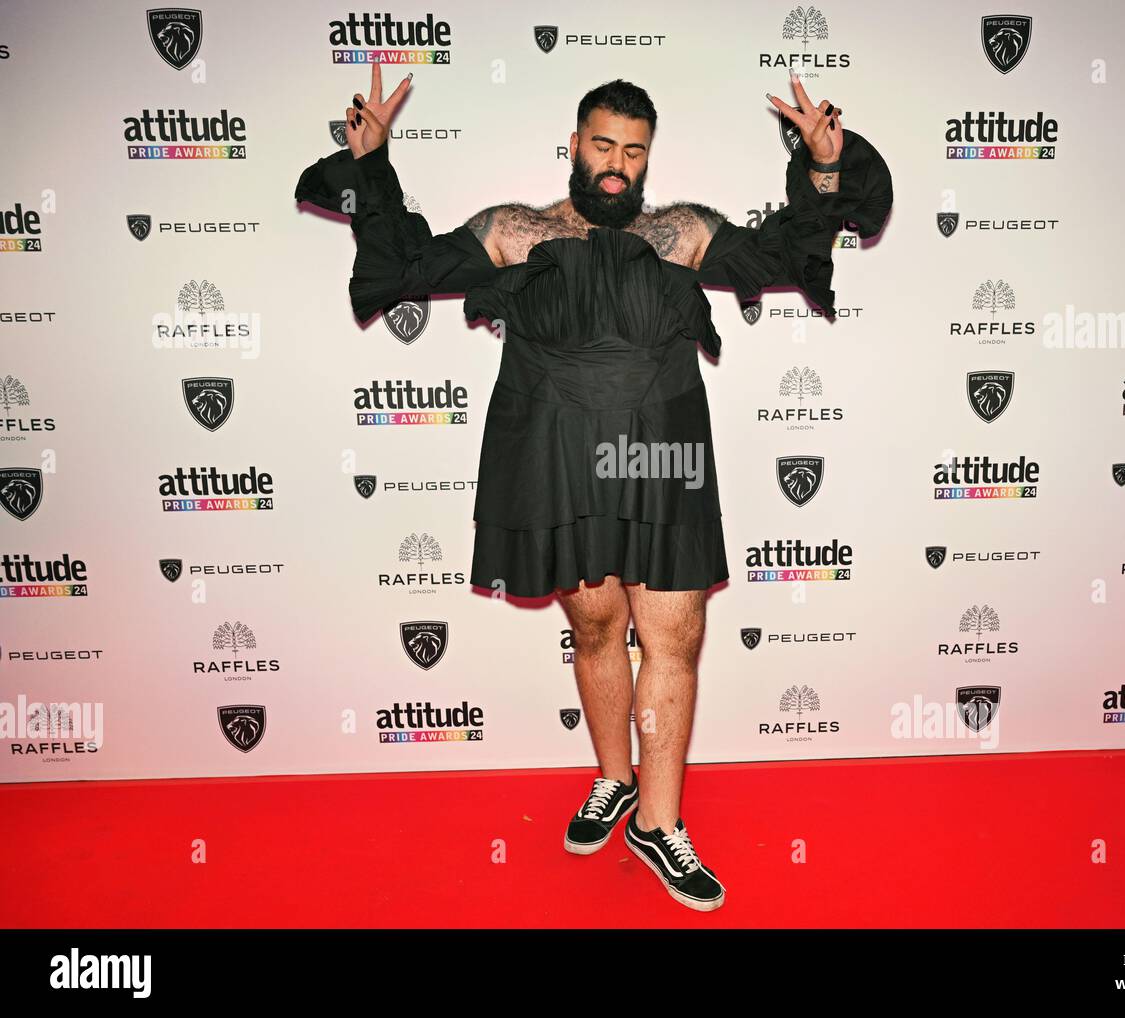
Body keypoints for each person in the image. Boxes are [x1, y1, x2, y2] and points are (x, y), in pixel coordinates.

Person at [295, 67, 892, 912]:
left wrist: (825, 170)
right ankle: (614, 776)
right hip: (556, 453)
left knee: (674, 635)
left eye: (634, 152)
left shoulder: (680, 231)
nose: (618, 164)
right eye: (604, 145)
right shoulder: (515, 228)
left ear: (649, 159)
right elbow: (407, 268)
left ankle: (659, 821)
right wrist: (375, 162)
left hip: (664, 453)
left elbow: (791, 255)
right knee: (599, 625)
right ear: (574, 145)